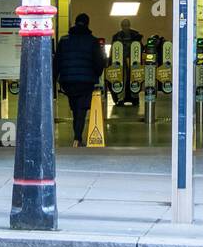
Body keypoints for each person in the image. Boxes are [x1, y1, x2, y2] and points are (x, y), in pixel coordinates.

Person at [55, 13, 106, 147]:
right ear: (87, 24)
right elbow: (99, 62)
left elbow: (57, 62)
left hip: (68, 81)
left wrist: (55, 79)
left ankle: (77, 136)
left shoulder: (64, 40)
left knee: (75, 108)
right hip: (86, 81)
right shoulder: (93, 41)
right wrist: (96, 74)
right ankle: (77, 137)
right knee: (81, 109)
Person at [110, 18, 144, 107]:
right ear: (121, 26)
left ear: (129, 25)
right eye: (124, 25)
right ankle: (121, 98)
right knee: (121, 79)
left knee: (134, 78)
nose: (125, 27)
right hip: (121, 61)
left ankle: (134, 97)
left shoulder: (133, 36)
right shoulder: (119, 36)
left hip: (133, 61)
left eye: (126, 25)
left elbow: (140, 48)